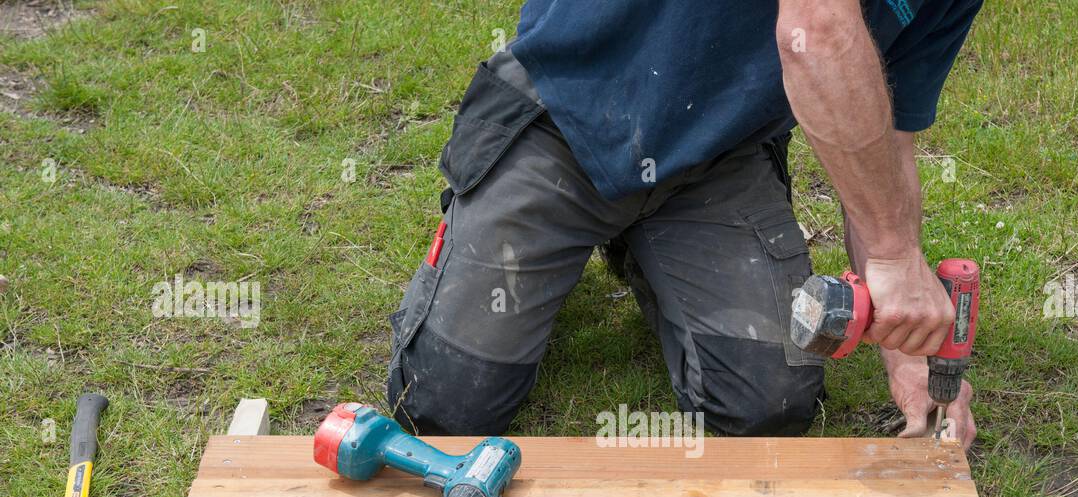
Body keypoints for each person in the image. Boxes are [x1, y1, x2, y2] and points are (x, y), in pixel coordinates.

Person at [387, 0, 984, 447]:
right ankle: (529, 219)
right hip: (569, 110)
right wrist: (892, 257)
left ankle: (642, 241)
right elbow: (818, 31)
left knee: (768, 406)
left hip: (716, 151)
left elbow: (888, 145)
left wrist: (907, 351)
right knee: (446, 410)